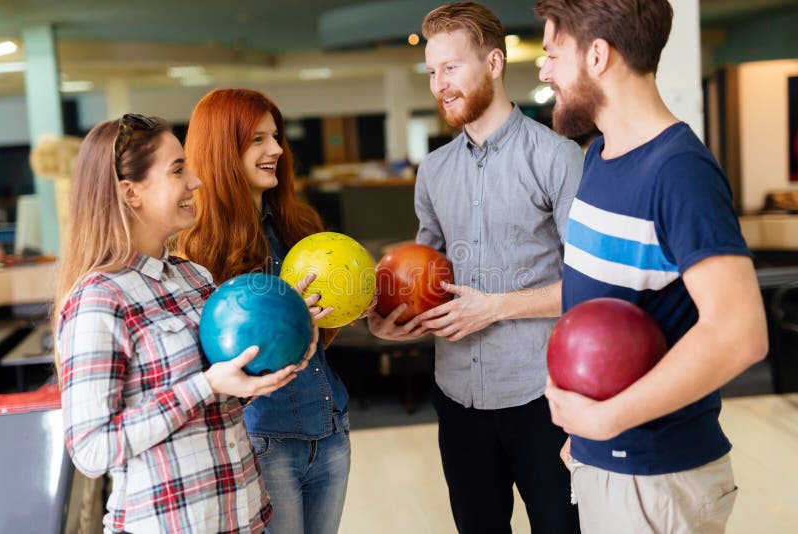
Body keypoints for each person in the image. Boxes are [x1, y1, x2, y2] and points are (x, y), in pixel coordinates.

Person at [534, 1, 769, 532]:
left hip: (657, 479)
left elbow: (740, 335)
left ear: (597, 55)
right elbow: (602, 313)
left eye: (552, 53)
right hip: (606, 461)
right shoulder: (599, 155)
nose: (543, 69)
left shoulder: (679, 172)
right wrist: (588, 429)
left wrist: (604, 419)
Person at [368, 3, 583, 533]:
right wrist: (392, 320)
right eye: (432, 72)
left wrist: (497, 308)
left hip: (544, 397)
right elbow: (422, 279)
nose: (440, 84)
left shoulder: (558, 158)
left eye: (452, 67)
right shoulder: (433, 172)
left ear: (493, 63)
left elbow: (592, 285)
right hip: (458, 396)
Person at [55, 113, 319, 534]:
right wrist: (206, 385)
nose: (196, 182)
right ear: (130, 192)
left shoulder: (194, 277)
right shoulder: (100, 299)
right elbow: (91, 449)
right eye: (178, 169)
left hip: (243, 517)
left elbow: (221, 402)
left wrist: (287, 342)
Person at [177, 89, 351, 534]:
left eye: (275, 136)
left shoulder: (300, 227)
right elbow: (208, 367)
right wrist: (277, 312)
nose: (275, 149)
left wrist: (346, 308)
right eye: (257, 139)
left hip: (331, 427)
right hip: (265, 441)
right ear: (221, 151)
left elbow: (315, 341)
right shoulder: (193, 254)